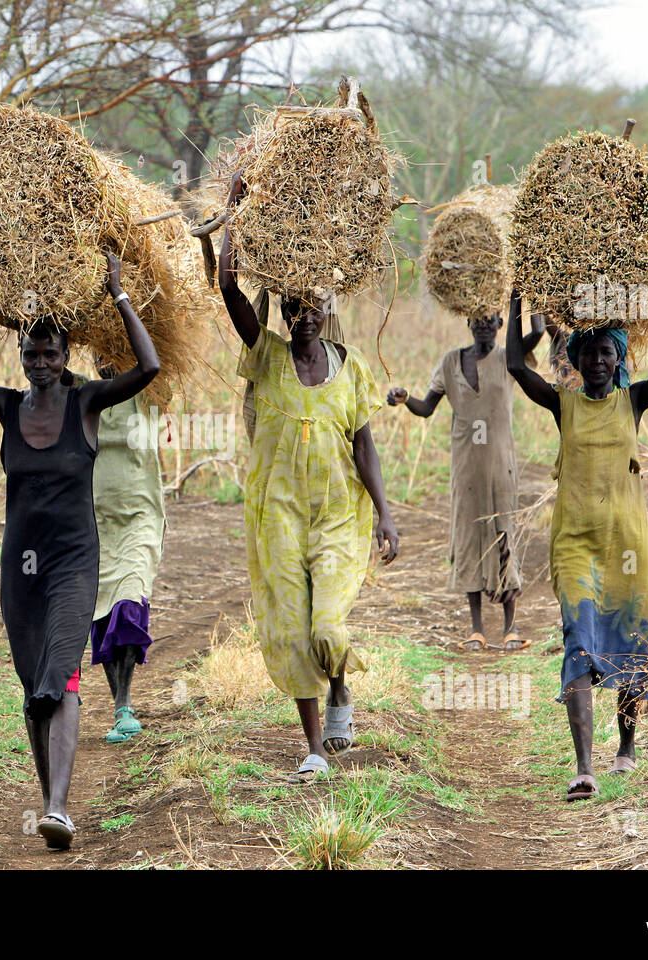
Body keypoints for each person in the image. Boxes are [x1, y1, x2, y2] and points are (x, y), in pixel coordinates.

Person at [0, 252, 158, 849]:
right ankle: (52, 802)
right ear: (20, 358)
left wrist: (120, 294)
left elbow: (149, 366)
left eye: (51, 353)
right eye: (32, 354)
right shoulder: (5, 406)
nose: (41, 363)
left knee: (64, 673)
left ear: (67, 356)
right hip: (21, 568)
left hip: (75, 564)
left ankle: (58, 806)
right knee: (33, 691)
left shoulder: (88, 404)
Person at [220, 170, 399, 780]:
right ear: (287, 310)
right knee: (295, 629)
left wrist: (386, 514)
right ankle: (315, 745)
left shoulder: (349, 370)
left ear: (327, 311)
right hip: (276, 514)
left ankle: (342, 687)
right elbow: (228, 288)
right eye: (295, 309)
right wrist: (233, 211)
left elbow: (364, 445)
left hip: (338, 512)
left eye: (315, 309)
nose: (305, 318)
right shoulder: (266, 356)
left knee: (327, 624)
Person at [505, 268, 648, 801]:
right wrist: (517, 293)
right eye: (589, 352)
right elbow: (515, 363)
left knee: (632, 645)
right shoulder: (565, 405)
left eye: (608, 352)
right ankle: (584, 766)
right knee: (578, 643)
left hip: (629, 548)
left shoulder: (635, 403)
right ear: (576, 360)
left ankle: (626, 746)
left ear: (620, 360)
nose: (599, 361)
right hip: (577, 547)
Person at [387, 310, 544, 651]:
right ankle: (476, 628)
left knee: (503, 534)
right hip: (465, 465)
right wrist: (404, 400)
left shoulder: (509, 359)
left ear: (502, 325)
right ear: (467, 323)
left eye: (491, 319)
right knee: (469, 535)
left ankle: (510, 627)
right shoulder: (450, 362)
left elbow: (538, 331)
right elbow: (427, 407)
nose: (484, 325)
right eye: (477, 319)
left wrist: (523, 294)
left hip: (500, 464)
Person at [82, 359, 165, 744]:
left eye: (116, 352)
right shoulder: (84, 393)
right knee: (102, 614)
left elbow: (151, 360)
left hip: (139, 518)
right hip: (95, 521)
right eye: (102, 353)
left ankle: (126, 700)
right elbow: (43, 360)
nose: (108, 361)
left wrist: (121, 297)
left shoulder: (149, 389)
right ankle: (120, 707)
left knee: (129, 604)